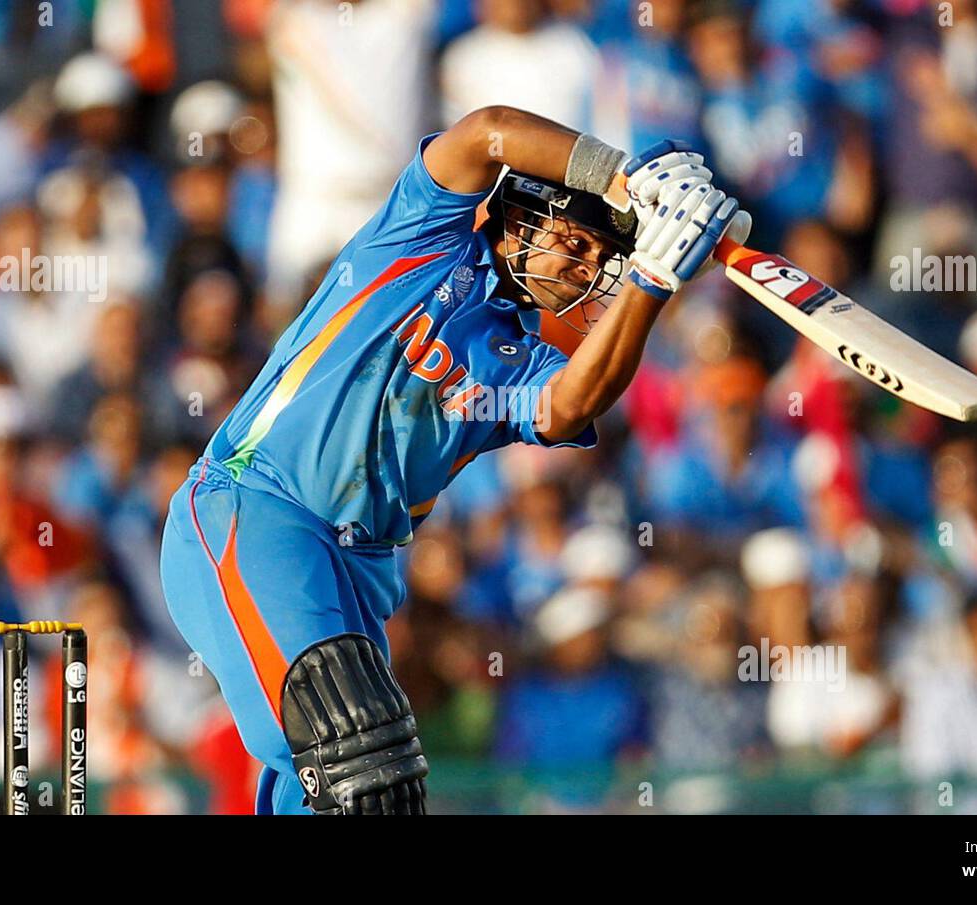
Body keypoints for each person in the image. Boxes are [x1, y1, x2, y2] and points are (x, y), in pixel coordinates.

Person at [159, 104, 750, 814]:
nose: (586, 267)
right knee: (360, 753)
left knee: (369, 790)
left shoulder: (520, 361)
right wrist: (622, 178)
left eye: (603, 260)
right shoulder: (426, 233)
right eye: (579, 242)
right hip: (257, 509)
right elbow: (483, 132)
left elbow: (569, 405)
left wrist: (651, 279)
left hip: (356, 574)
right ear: (530, 208)